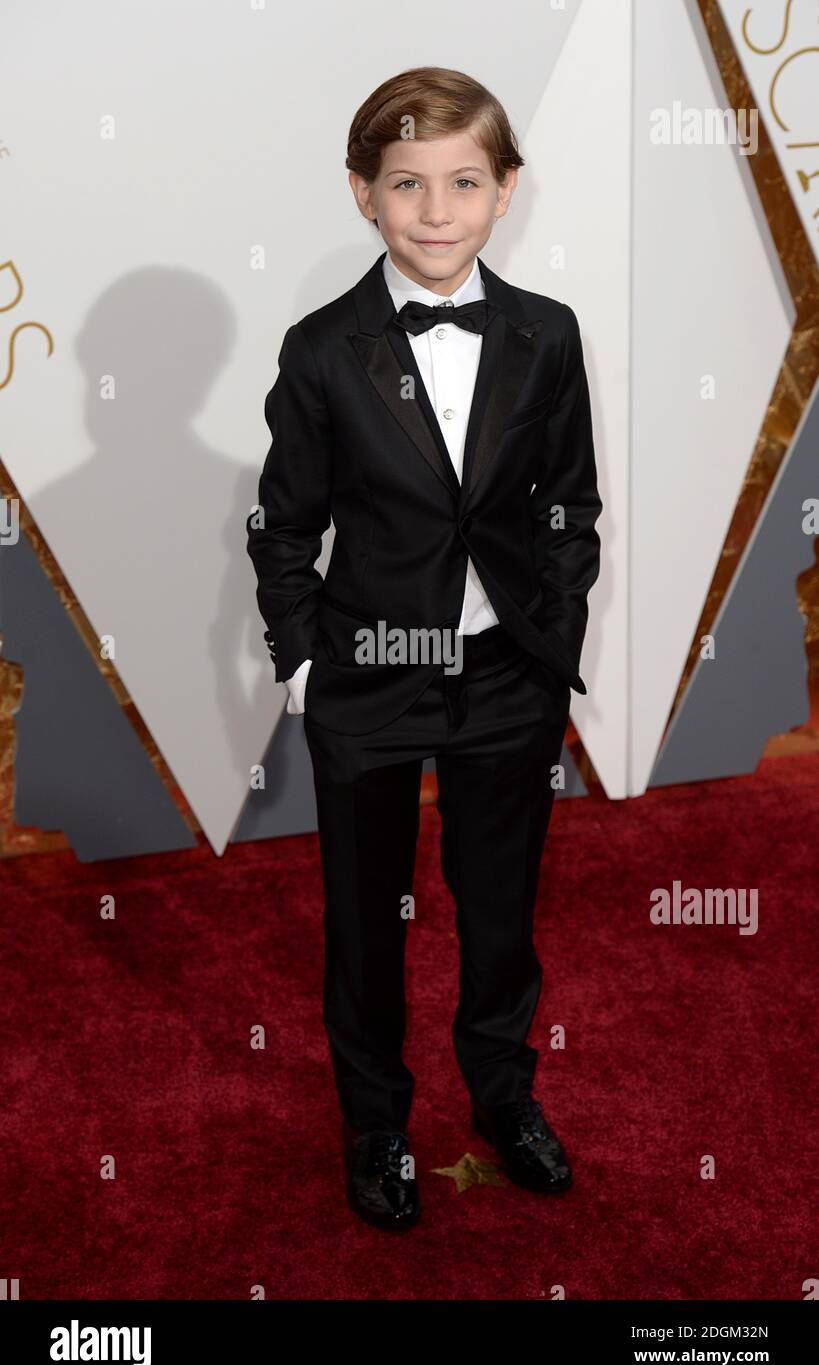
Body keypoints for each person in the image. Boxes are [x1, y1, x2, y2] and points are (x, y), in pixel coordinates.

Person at [246, 66, 603, 1231]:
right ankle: (377, 1126)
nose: (436, 211)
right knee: (367, 923)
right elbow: (287, 525)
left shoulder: (548, 337)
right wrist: (302, 665)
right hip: (367, 680)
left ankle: (504, 1100)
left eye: (463, 182)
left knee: (501, 917)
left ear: (507, 192)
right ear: (363, 194)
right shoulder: (320, 350)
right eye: (408, 184)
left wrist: (552, 633)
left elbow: (570, 506)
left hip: (507, 679)